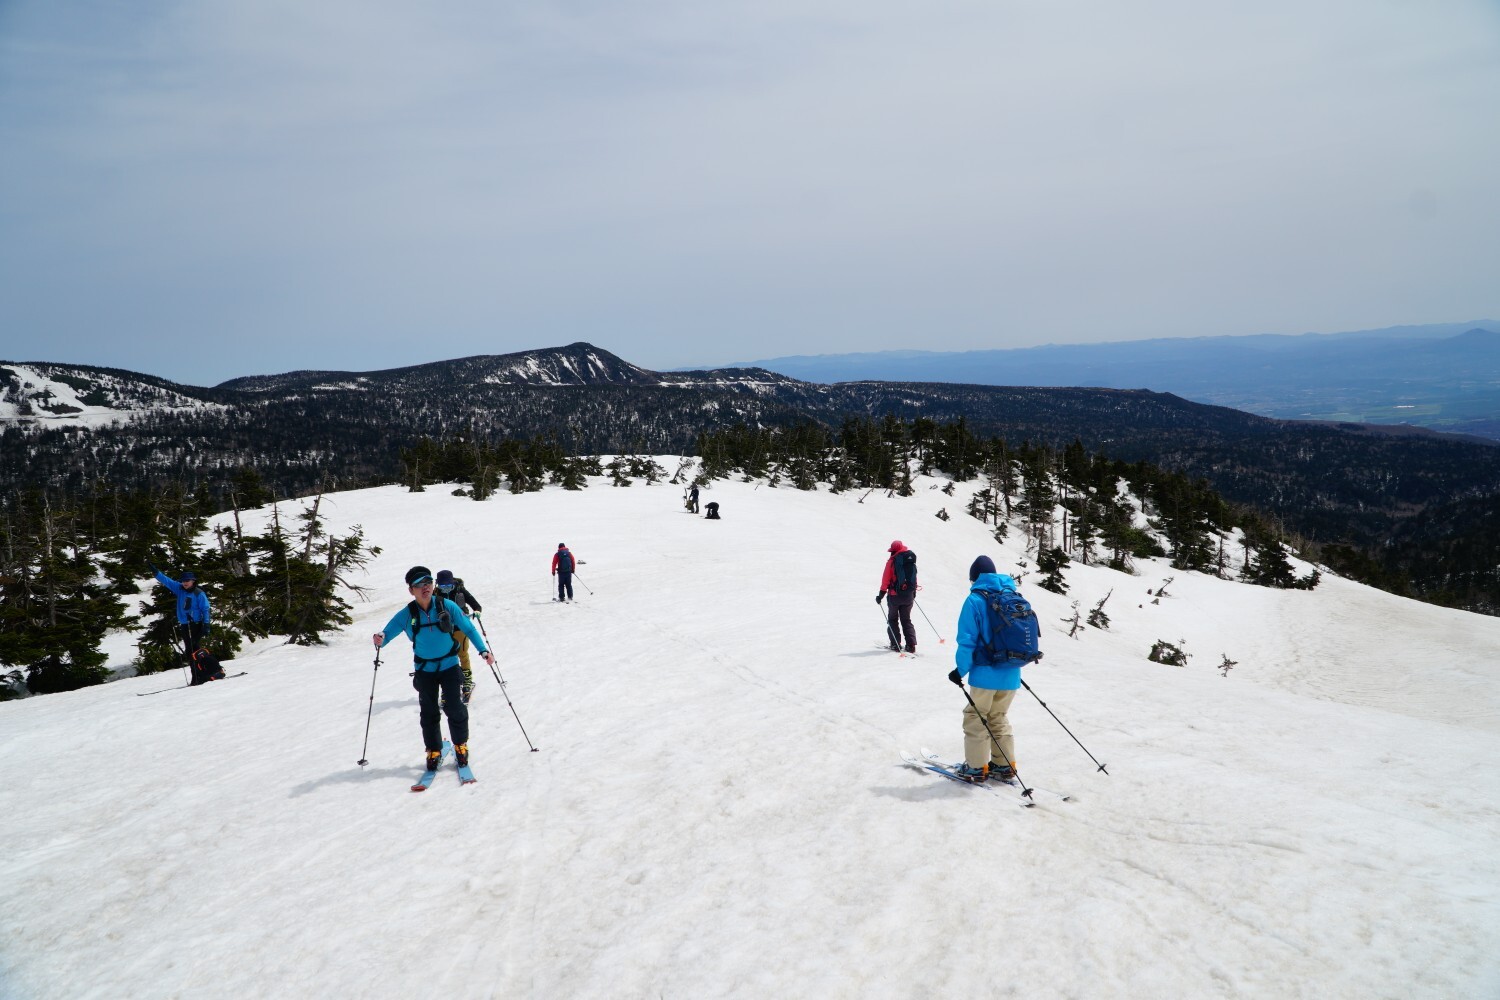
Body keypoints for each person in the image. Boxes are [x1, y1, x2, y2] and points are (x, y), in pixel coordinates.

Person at [374, 566, 494, 772]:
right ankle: (434, 750)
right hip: (424, 670)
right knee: (428, 713)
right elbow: (385, 636)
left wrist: (483, 650)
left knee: (455, 708)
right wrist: (380, 638)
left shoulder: (446, 606)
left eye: (428, 583)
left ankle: (460, 745)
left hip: (449, 666)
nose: (425, 588)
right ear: (411, 590)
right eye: (419, 585)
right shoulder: (407, 614)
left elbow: (468, 628)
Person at [948, 555, 1028, 783]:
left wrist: (960, 670)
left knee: (976, 716)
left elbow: (967, 640)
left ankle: (975, 768)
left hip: (985, 673)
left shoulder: (975, 600)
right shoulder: (1011, 594)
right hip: (1012, 671)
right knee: (998, 717)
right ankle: (1004, 765)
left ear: (974, 578)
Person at [151, 564, 220, 684]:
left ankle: (200, 676)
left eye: (187, 581)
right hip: (184, 625)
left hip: (195, 624)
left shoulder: (199, 593)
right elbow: (166, 581)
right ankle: (205, 673)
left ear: (193, 581)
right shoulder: (179, 589)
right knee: (192, 651)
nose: (185, 583)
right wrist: (156, 572)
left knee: (193, 651)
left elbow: (206, 609)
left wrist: (206, 624)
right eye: (183, 581)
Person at [435, 569, 484, 703]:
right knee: (446, 657)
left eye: (448, 586)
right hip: (444, 630)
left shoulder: (460, 591)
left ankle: (467, 681)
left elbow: (475, 604)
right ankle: (448, 686)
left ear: (452, 584)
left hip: (460, 628)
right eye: (442, 586)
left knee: (462, 654)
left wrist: (477, 611)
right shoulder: (435, 594)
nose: (445, 590)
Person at [876, 540, 917, 654]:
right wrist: (913, 592)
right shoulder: (910, 560)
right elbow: (914, 578)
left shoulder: (892, 561)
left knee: (893, 619)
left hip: (895, 596)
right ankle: (911, 645)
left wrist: (881, 594)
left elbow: (886, 579)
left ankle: (895, 644)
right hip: (908, 595)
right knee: (906, 620)